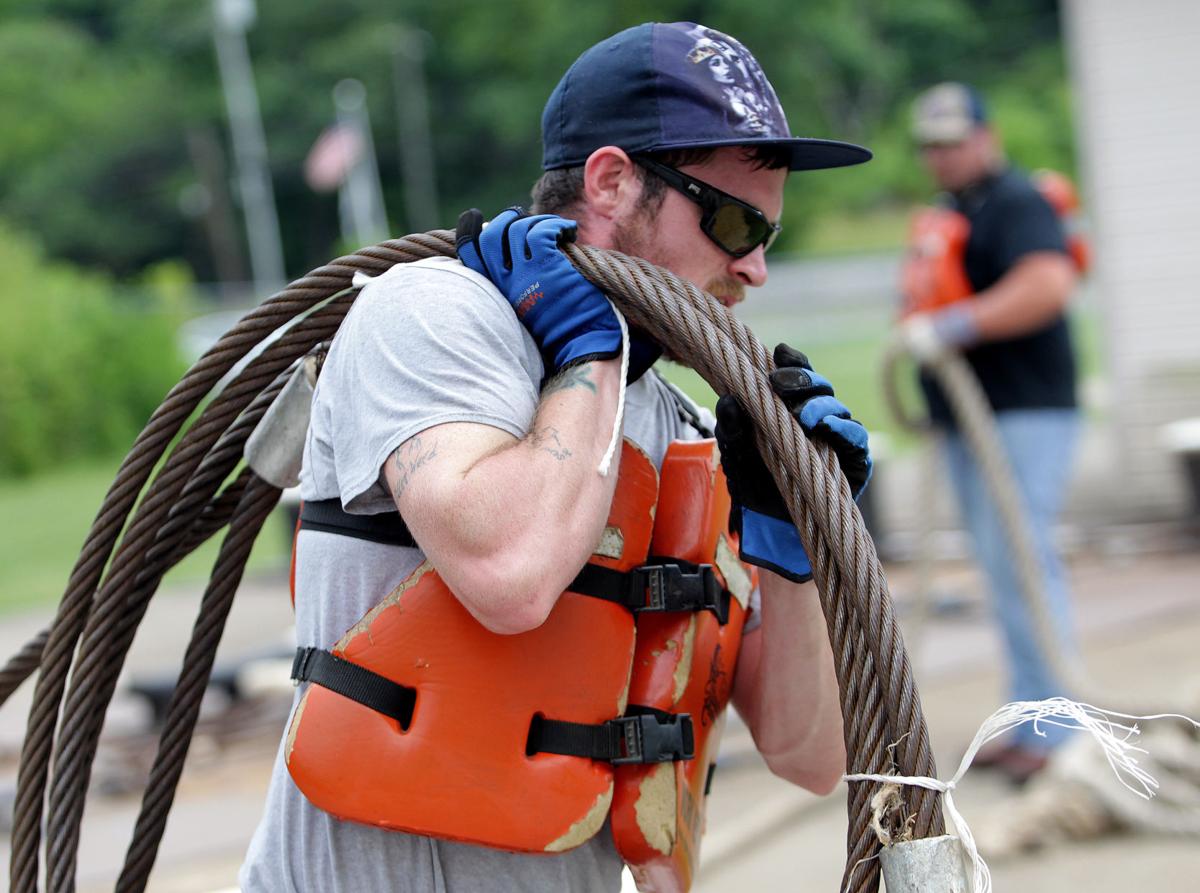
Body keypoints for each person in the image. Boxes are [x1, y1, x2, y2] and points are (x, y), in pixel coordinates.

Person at [241, 22, 874, 892]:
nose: (756, 267)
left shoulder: (688, 425)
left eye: (769, 232)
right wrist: (590, 353)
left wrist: (791, 539)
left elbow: (812, 755)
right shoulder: (432, 315)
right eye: (733, 222)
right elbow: (512, 575)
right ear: (612, 181)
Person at [899, 82, 1081, 783]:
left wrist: (954, 325)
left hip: (1023, 409)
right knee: (1001, 565)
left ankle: (1058, 727)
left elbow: (1047, 283)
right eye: (932, 146)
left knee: (1023, 563)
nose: (942, 156)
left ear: (985, 136)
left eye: (953, 141)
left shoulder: (1016, 202)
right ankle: (1031, 713)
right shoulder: (953, 212)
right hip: (975, 416)